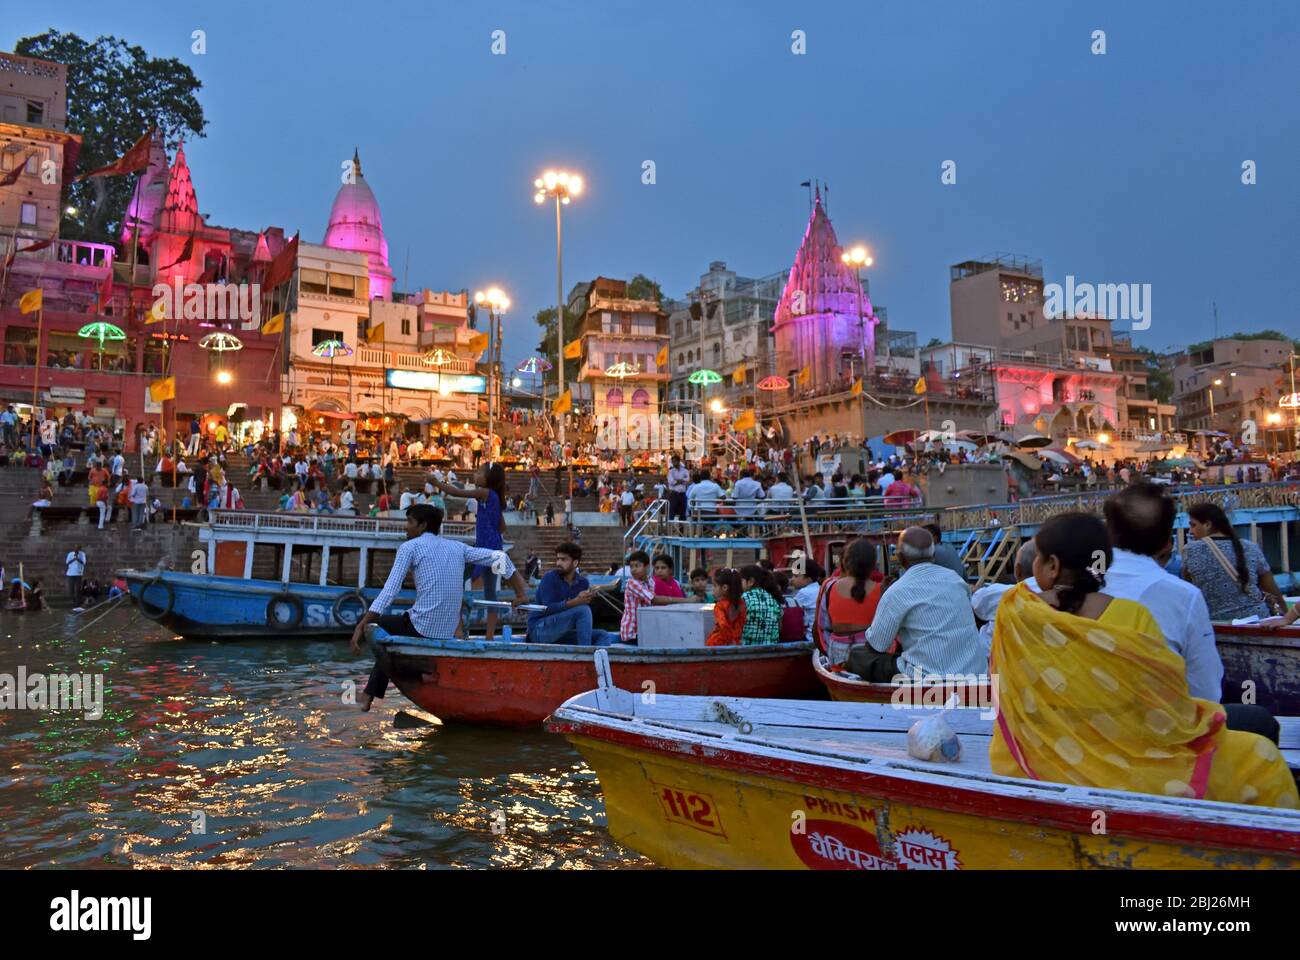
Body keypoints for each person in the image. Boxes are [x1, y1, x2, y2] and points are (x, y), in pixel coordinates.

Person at [989, 512, 1298, 809]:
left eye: (1040, 557)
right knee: (1259, 752)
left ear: (1052, 565)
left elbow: (1003, 691)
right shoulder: (1132, 614)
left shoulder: (1017, 611)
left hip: (1035, 757)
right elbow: (1165, 702)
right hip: (1131, 754)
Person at [350, 504, 528, 710]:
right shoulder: (458, 547)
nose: (405, 528)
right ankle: (375, 691)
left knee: (376, 630)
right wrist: (521, 592)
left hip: (421, 627)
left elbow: (389, 592)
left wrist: (361, 626)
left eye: (409, 523)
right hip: (446, 631)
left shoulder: (410, 547)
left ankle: (377, 692)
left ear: (423, 525)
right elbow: (501, 557)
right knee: (387, 634)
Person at [857, 527, 986, 681]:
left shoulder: (896, 591)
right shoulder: (956, 580)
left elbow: (877, 645)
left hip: (926, 677)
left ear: (900, 558)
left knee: (858, 656)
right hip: (975, 673)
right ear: (932, 555)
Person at [430, 463, 508, 641]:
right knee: (491, 592)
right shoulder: (495, 498)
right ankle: (489, 637)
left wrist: (436, 482)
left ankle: (457, 630)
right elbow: (502, 527)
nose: (475, 474)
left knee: (455, 580)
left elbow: (456, 493)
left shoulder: (485, 493)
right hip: (497, 549)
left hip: (484, 549)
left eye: (479, 472)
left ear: (488, 479)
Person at [1182, 502, 1285, 621]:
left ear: (1207, 524)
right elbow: (1270, 588)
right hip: (1257, 618)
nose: (1190, 531)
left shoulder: (1190, 550)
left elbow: (1189, 589)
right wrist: (1286, 617)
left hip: (1216, 621)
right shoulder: (1250, 547)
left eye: (1193, 525)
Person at [528, 542, 620, 646]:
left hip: (561, 632)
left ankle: (593, 659)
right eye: (558, 559)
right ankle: (584, 656)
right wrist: (576, 601)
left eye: (563, 559)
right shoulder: (550, 577)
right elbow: (548, 608)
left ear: (575, 563)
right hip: (539, 631)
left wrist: (588, 599)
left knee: (603, 635)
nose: (558, 563)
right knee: (583, 610)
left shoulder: (583, 583)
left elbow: (580, 617)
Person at [970, 540, 1039, 654]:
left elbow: (975, 604)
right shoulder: (1059, 596)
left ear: (1017, 570)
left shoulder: (1003, 593)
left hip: (993, 663)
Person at [738, 564, 783, 645]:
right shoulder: (773, 599)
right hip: (772, 651)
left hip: (747, 651)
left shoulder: (744, 598)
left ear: (750, 581)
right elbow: (780, 627)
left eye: (740, 581)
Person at [790, 557, 825, 643]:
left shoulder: (804, 593)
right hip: (823, 637)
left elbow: (791, 610)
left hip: (810, 637)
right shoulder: (821, 589)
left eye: (796, 576)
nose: (792, 579)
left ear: (808, 579)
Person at [706, 568, 745, 646]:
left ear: (724, 588)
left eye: (715, 586)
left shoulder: (719, 606)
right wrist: (734, 641)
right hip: (736, 643)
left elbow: (723, 625)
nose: (713, 589)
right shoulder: (741, 603)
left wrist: (730, 641)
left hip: (718, 643)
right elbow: (741, 624)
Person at [666, 455, 690, 521]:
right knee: (672, 512)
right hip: (674, 494)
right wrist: (682, 480)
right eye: (673, 462)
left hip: (682, 494)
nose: (674, 463)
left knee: (683, 513)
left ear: (679, 461)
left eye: (675, 461)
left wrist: (677, 480)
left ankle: (682, 530)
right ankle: (670, 529)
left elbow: (687, 480)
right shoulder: (671, 471)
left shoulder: (685, 471)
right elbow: (671, 482)